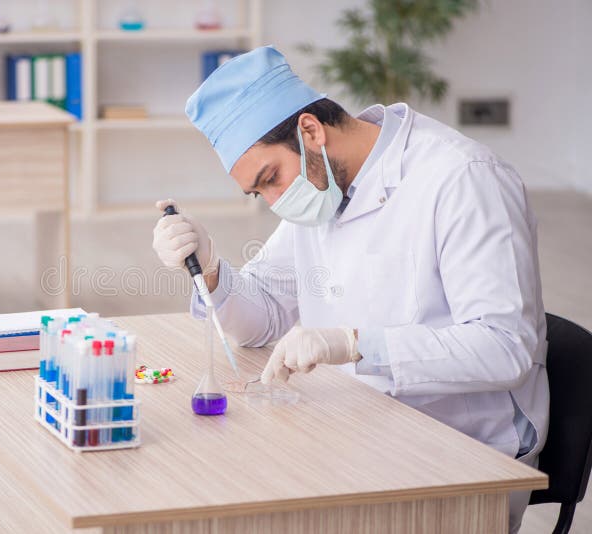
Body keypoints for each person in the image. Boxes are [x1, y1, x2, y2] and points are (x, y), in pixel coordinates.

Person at [151, 46, 547, 533]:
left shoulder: (462, 177)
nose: (275, 202)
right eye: (259, 192)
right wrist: (210, 268)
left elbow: (505, 349)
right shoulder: (320, 190)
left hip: (461, 451)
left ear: (311, 131)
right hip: (360, 424)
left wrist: (356, 344)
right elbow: (262, 319)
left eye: (271, 178)